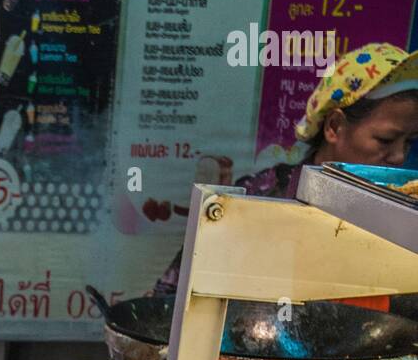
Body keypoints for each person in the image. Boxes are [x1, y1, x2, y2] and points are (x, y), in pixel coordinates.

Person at [154, 42, 418, 293]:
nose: (398, 157)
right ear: (334, 127)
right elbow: (174, 296)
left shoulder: (400, 220)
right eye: (385, 140)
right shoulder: (257, 200)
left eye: (409, 143)